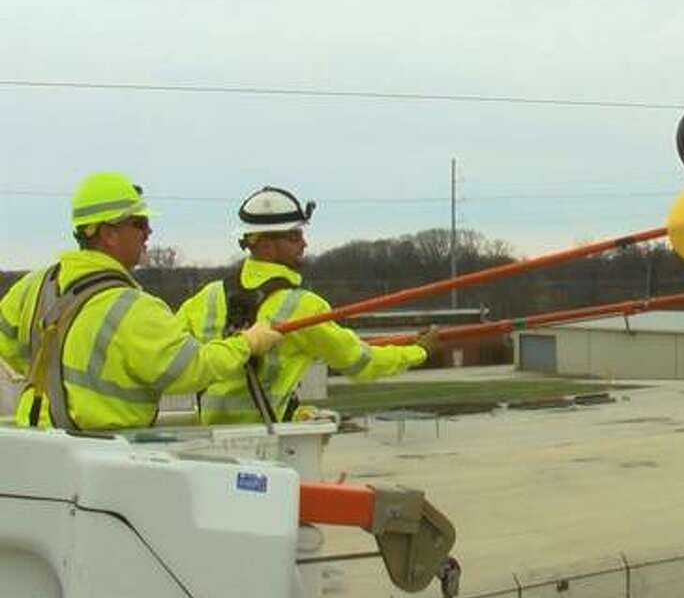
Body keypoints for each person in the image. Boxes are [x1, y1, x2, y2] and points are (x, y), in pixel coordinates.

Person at [0, 172, 281, 430]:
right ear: (108, 233)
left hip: (35, 452)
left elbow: (9, 345)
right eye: (140, 223)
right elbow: (192, 369)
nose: (149, 232)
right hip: (104, 457)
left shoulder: (34, 285)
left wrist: (53, 376)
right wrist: (248, 343)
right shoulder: (132, 308)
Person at [176, 185, 437, 425]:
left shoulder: (206, 297)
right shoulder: (302, 306)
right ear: (265, 246)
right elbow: (360, 362)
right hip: (269, 446)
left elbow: (171, 356)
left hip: (212, 446)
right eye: (294, 236)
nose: (304, 243)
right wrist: (418, 351)